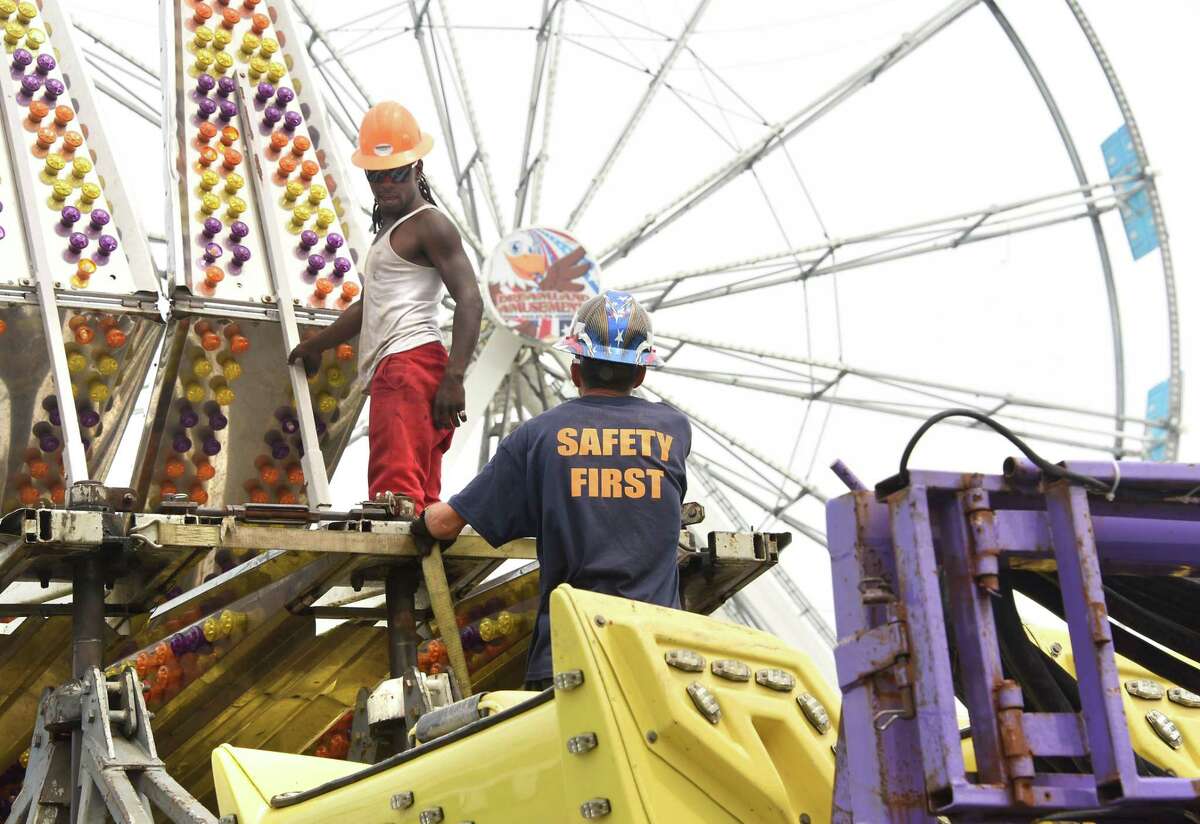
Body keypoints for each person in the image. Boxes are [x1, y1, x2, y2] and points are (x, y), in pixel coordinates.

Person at [416, 291, 690, 690]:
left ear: (575, 371)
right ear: (641, 375)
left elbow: (445, 524)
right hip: (660, 658)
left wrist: (420, 519)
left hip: (570, 660)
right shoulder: (675, 430)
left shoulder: (538, 435)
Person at [288, 102, 481, 512]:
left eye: (395, 173)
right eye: (375, 176)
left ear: (417, 167)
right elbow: (370, 305)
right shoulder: (393, 228)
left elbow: (470, 299)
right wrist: (316, 344)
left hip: (406, 365)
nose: (385, 185)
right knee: (420, 497)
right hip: (409, 367)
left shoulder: (430, 224)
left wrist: (455, 378)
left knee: (394, 494)